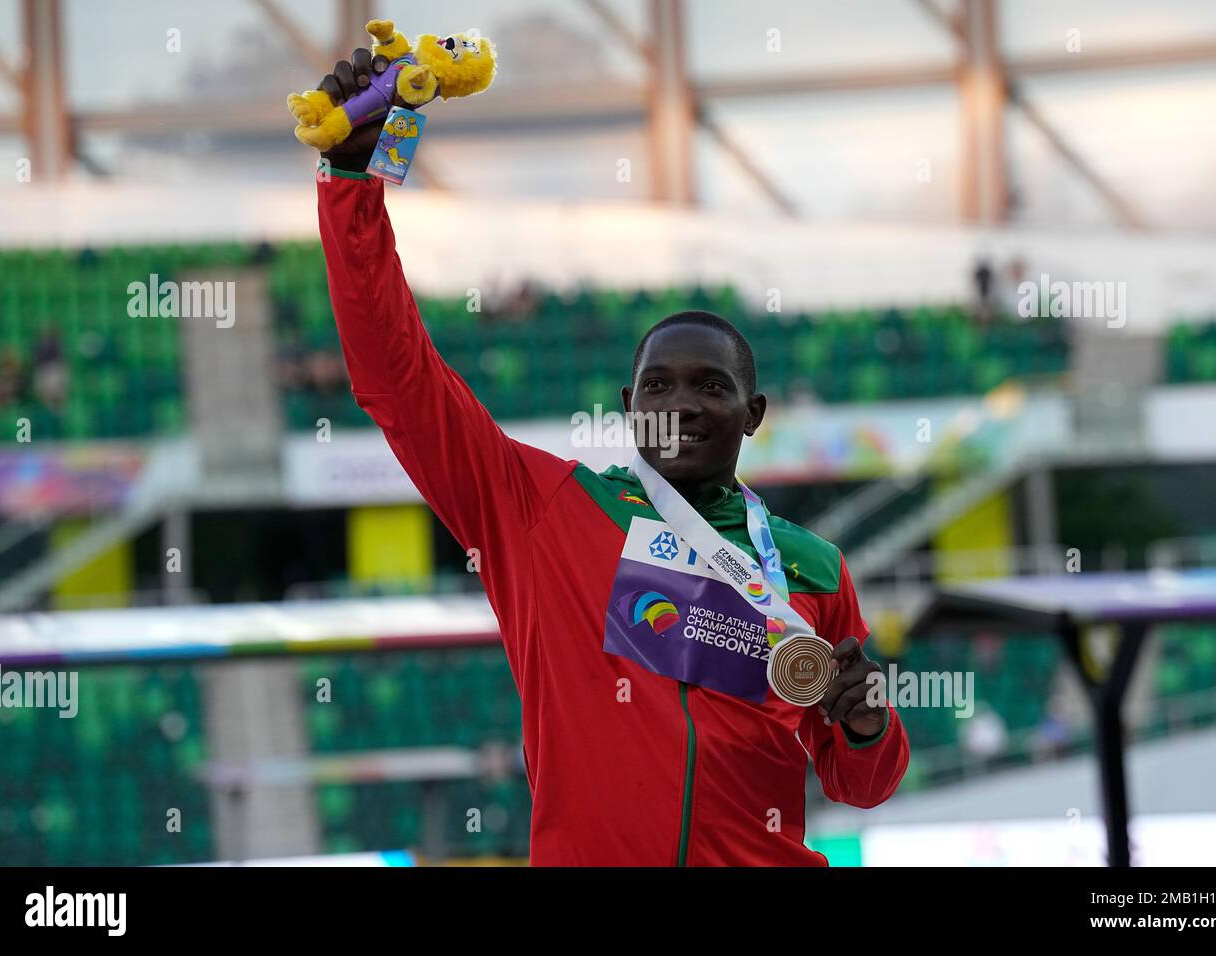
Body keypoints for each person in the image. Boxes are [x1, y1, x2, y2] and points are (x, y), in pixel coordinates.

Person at [307, 48, 909, 866]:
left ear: (754, 414)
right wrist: (352, 186)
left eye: (711, 387)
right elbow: (396, 380)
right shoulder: (545, 514)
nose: (682, 406)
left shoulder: (811, 570)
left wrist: (868, 718)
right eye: (657, 387)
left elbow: (859, 783)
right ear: (629, 411)